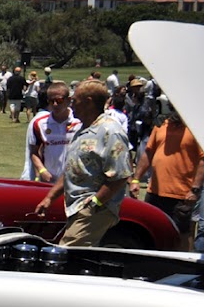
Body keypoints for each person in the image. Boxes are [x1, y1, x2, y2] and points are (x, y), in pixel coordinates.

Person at [34, 80, 133, 247]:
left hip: (96, 208)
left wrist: (95, 203)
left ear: (88, 102)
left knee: (67, 252)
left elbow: (120, 175)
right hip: (77, 207)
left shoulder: (110, 131)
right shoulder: (83, 130)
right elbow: (73, 169)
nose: (71, 105)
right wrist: (49, 198)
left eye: (75, 100)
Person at [132, 108, 201, 249]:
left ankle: (183, 264)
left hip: (182, 194)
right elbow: (149, 152)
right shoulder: (161, 125)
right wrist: (136, 179)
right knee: (151, 229)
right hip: (154, 192)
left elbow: (202, 160)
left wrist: (194, 189)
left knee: (181, 234)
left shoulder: (196, 127)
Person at [23, 82, 81, 183]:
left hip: (74, 183)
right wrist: (42, 171)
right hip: (49, 182)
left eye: (59, 100)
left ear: (68, 100)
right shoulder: (40, 123)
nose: (55, 104)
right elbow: (34, 152)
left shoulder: (79, 122)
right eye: (51, 101)